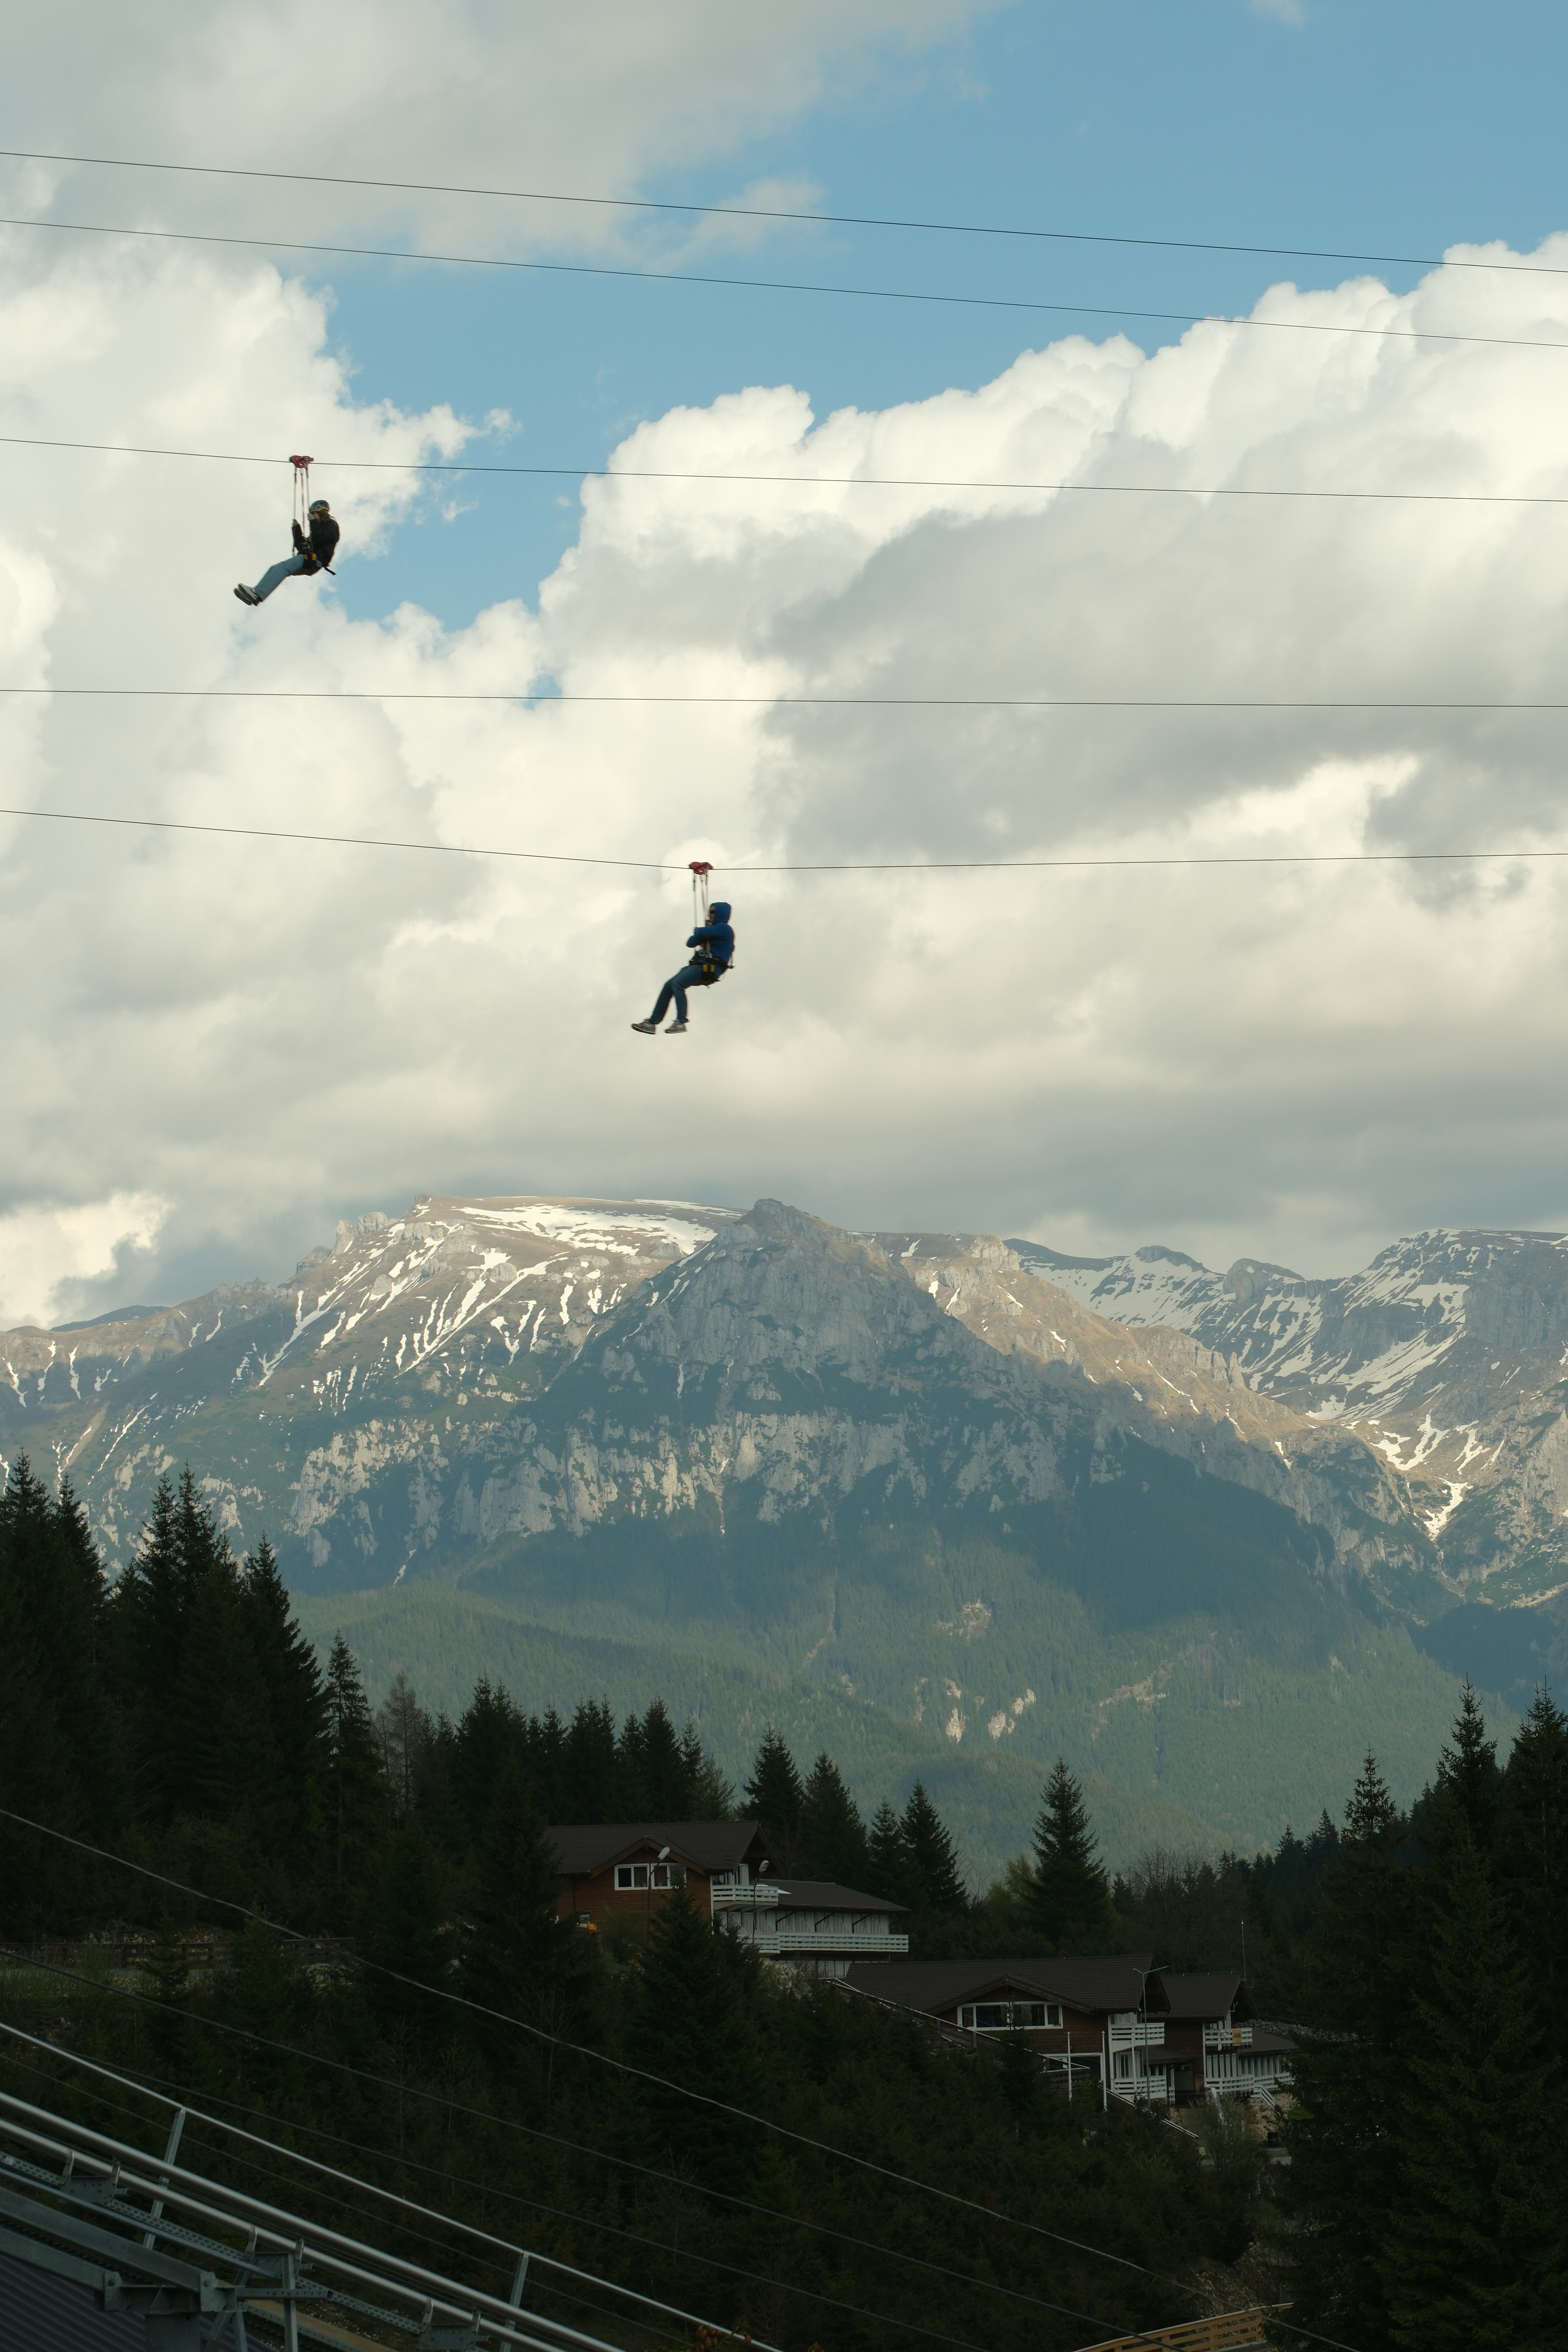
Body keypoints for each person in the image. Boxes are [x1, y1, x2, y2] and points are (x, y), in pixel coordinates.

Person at [632, 900, 734, 1035]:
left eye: (713, 912)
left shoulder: (724, 928)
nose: (710, 915)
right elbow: (690, 943)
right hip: (701, 966)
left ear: (721, 914)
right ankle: (652, 1023)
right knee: (668, 986)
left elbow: (700, 932)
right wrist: (701, 934)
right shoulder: (712, 932)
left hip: (711, 968)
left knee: (678, 984)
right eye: (710, 912)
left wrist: (701, 932)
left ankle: (681, 1022)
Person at [235, 499, 341, 607]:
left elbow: (320, 540)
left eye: (314, 514)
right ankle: (255, 594)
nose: (312, 517)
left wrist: (314, 523)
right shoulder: (317, 530)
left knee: (282, 569)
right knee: (276, 568)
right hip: (308, 558)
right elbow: (302, 546)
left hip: (316, 559)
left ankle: (257, 594)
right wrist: (297, 530)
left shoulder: (331, 527)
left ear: (321, 514)